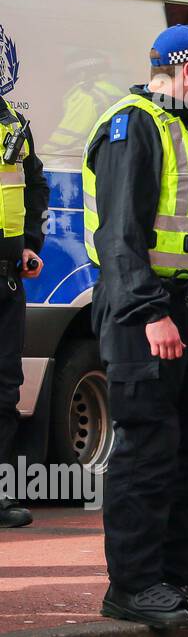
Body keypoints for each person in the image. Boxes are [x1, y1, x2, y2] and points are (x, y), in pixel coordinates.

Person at [82, 24, 188, 628]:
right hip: (143, 311)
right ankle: (132, 585)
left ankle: (180, 579)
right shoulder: (132, 127)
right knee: (148, 448)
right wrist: (150, 311)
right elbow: (119, 235)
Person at [0, 94, 48, 528]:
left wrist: (31, 241)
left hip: (6, 279)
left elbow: (36, 185)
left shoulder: (14, 121)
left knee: (4, 390)